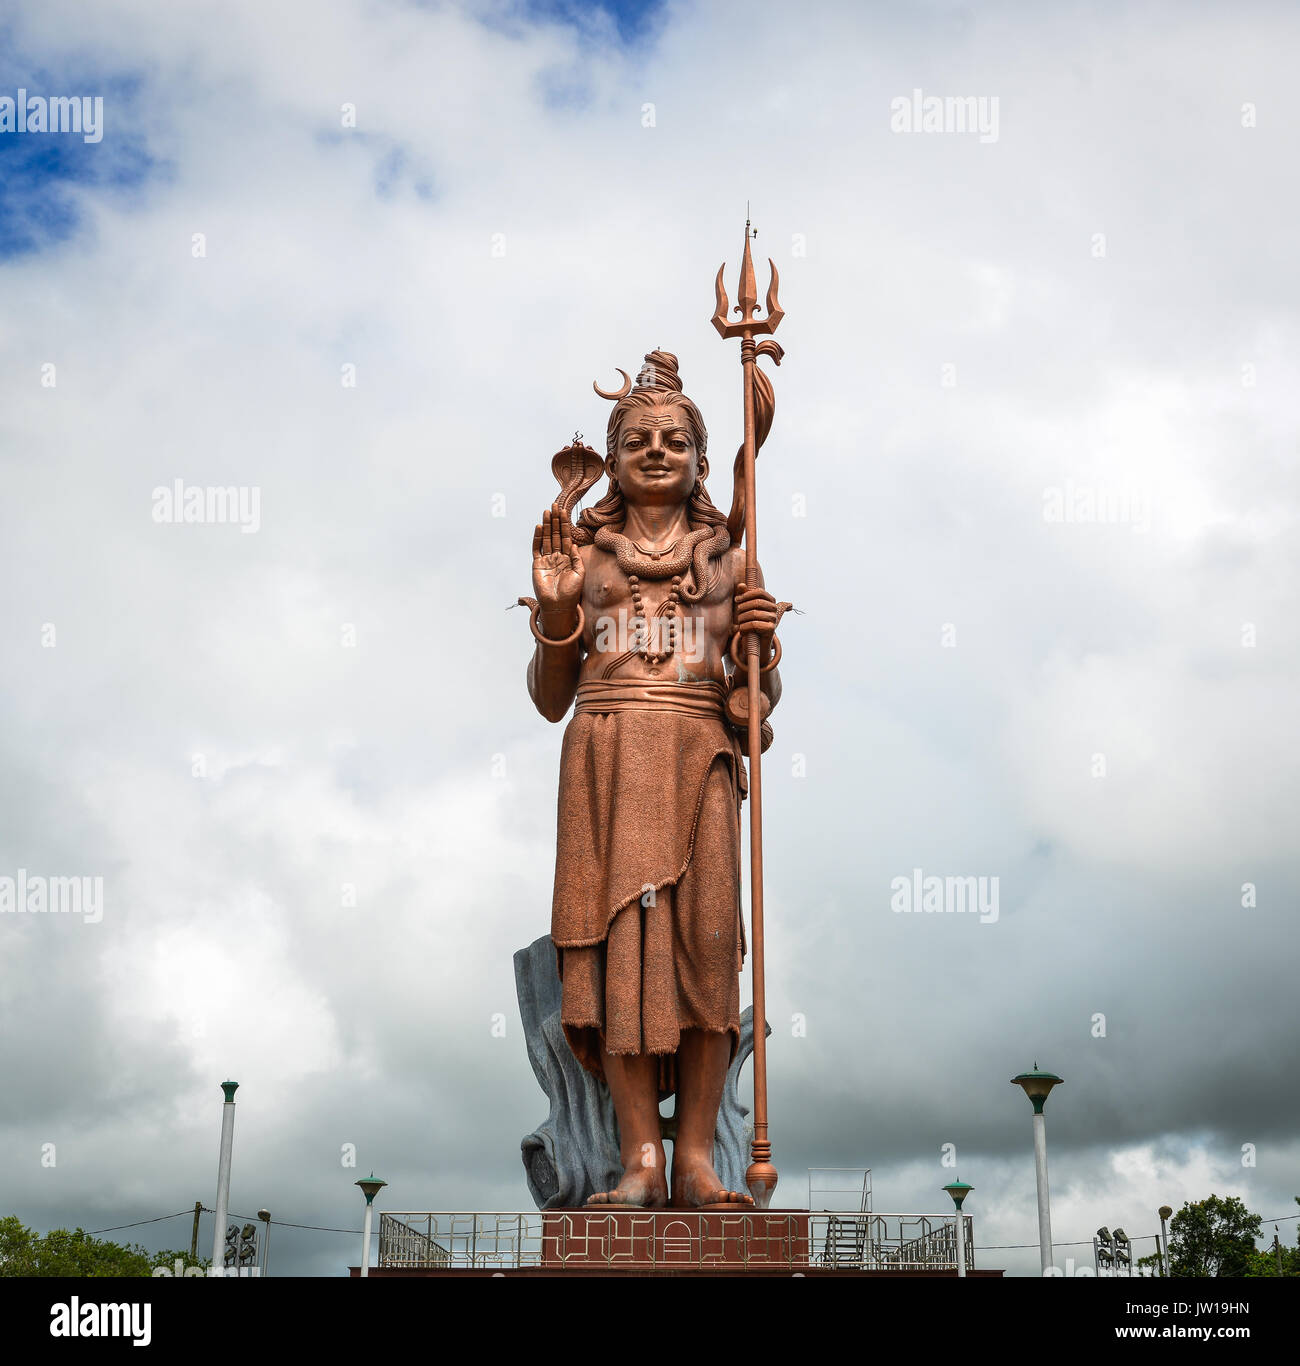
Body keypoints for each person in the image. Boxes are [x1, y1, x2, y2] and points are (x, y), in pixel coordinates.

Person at [524, 350, 782, 1208]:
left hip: (698, 754)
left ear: (705, 461)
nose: (659, 450)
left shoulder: (733, 563)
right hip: (604, 753)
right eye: (639, 439)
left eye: (678, 439)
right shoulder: (588, 561)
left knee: (708, 951)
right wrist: (557, 615)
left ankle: (699, 1157)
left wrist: (758, 647)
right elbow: (551, 700)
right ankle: (642, 1157)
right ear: (614, 457)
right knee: (620, 960)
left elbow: (756, 714)